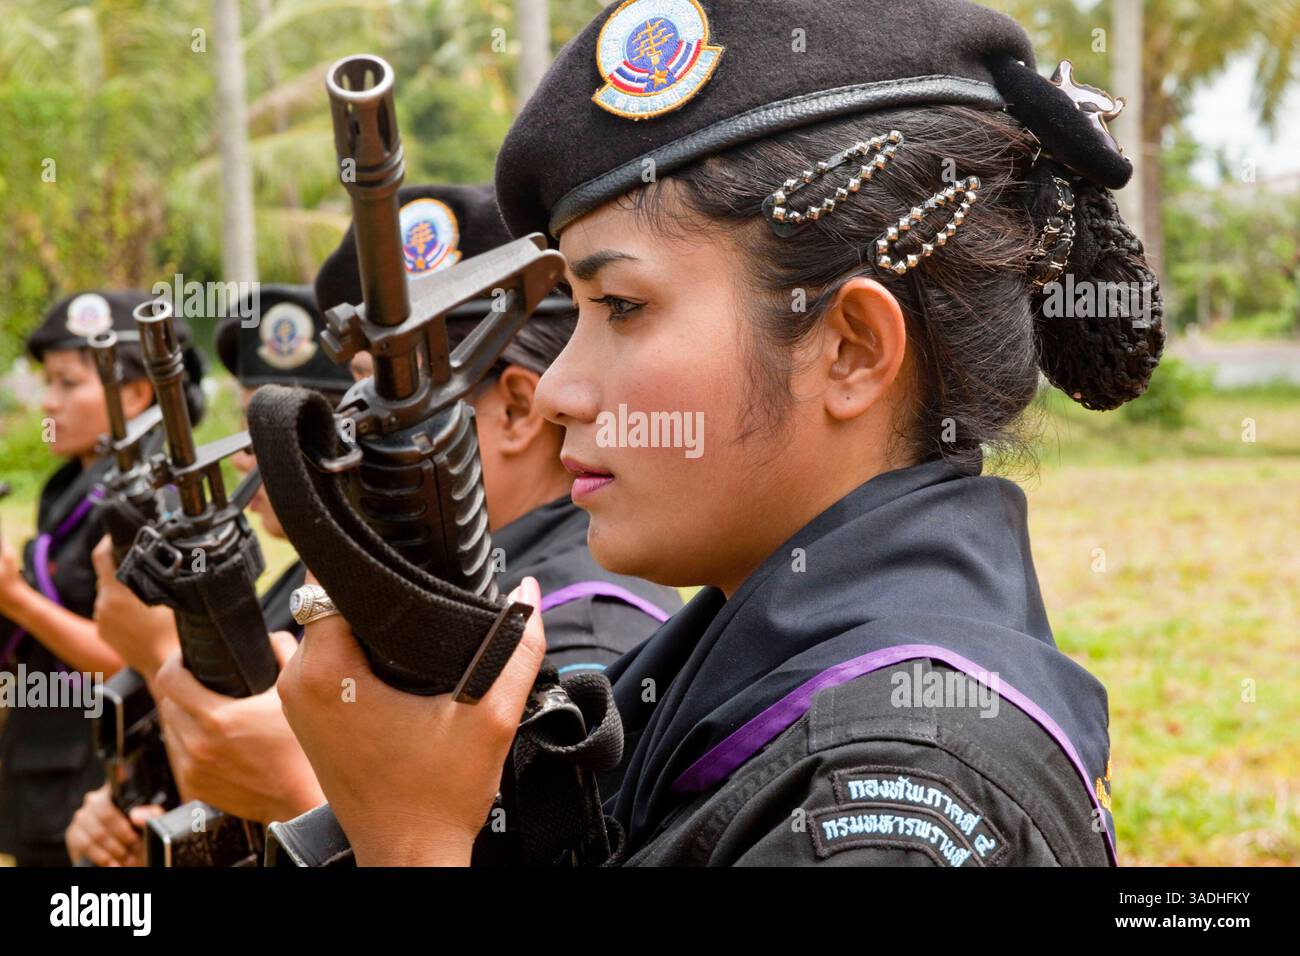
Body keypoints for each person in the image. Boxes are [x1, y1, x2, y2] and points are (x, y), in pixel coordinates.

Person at [269, 0, 1167, 867]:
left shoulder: (897, 792)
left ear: (849, 350)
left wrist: (410, 839)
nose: (557, 393)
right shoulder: (733, 674)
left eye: (621, 306)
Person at [0, 290, 204, 866]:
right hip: (43, 759)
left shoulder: (155, 501)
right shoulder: (67, 487)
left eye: (68, 383)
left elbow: (144, 661)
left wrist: (15, 598)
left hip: (97, 778)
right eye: (48, 383)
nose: (48, 402)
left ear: (136, 392)